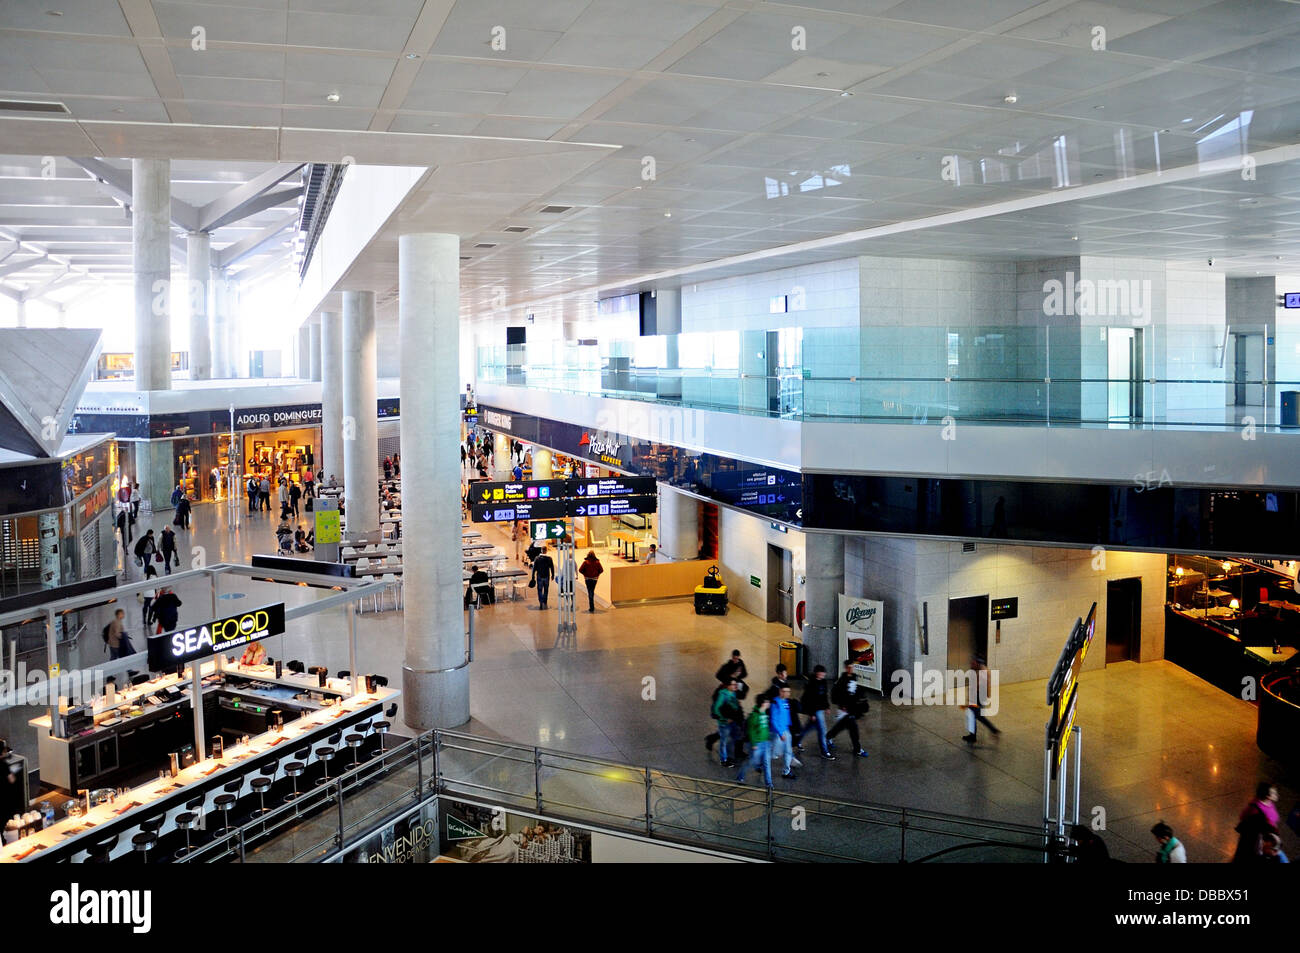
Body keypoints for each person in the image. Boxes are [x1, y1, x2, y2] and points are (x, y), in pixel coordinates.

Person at [826, 659, 869, 757]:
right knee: (852, 729)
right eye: (849, 667)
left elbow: (854, 692)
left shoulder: (854, 677)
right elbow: (836, 694)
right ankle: (857, 749)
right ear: (846, 668)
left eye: (852, 667)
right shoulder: (841, 680)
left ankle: (828, 737)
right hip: (844, 710)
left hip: (851, 709)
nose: (851, 669)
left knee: (842, 727)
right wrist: (842, 706)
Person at [1233, 781, 1280, 862]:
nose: (1277, 795)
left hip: (1266, 837)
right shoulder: (1255, 807)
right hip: (1255, 840)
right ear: (1267, 796)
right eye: (1274, 793)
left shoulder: (1270, 803)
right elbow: (1243, 816)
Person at [796, 664, 834, 759]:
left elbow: (824, 695)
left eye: (823, 674)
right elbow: (808, 700)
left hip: (820, 709)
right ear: (817, 673)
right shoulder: (811, 684)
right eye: (821, 674)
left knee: (809, 727)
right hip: (815, 710)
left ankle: (797, 741)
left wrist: (827, 707)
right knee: (822, 730)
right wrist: (812, 713)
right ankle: (824, 752)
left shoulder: (823, 682)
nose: (823, 675)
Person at [736, 696, 773, 788]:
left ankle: (769, 783)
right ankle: (740, 776)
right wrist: (753, 743)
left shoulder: (765, 713)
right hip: (757, 744)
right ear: (762, 703)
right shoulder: (754, 716)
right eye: (767, 701)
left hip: (766, 742)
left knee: (767, 763)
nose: (769, 703)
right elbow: (751, 730)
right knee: (751, 761)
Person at [962, 654, 1000, 744]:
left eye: (973, 663)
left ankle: (974, 736)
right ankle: (992, 730)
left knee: (974, 715)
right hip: (978, 696)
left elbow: (978, 686)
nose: (971, 665)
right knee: (977, 716)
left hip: (978, 697)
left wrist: (970, 700)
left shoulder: (983, 672)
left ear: (978, 663)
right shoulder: (979, 670)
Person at [770, 685, 802, 779]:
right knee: (774, 753)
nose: (787, 693)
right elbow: (774, 720)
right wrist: (780, 733)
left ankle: (786, 771)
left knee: (788, 751)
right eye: (785, 691)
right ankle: (759, 763)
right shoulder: (775, 702)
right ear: (780, 691)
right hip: (778, 732)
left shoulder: (787, 702)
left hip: (786, 730)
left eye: (788, 691)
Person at [711, 678, 744, 768]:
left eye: (735, 684)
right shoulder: (722, 695)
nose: (735, 686)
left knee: (733, 738)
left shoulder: (733, 693)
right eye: (733, 684)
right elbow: (716, 708)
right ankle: (723, 760)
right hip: (724, 722)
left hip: (733, 720)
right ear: (728, 686)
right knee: (724, 741)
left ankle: (730, 755)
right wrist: (724, 719)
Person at [531, 545, 555, 609]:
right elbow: (552, 567)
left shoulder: (537, 558)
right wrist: (553, 575)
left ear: (541, 550)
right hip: (546, 576)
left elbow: (534, 568)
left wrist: (532, 576)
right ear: (546, 551)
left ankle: (541, 601)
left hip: (539, 576)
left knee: (539, 589)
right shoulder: (549, 558)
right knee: (546, 590)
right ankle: (545, 601)